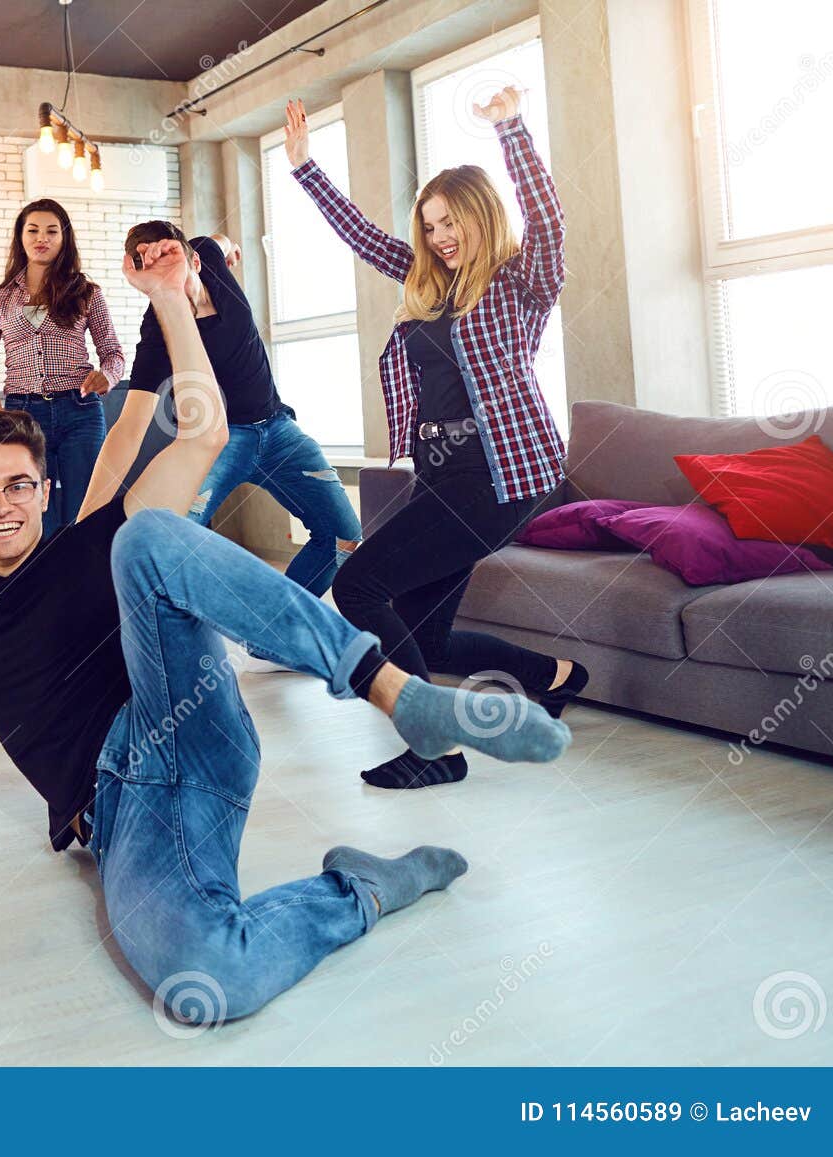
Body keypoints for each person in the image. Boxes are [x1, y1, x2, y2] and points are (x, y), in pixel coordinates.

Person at [0, 236, 571, 1025]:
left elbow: (200, 434)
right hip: (123, 813)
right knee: (206, 980)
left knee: (147, 534)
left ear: (43, 489)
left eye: (18, 486)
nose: (1, 505)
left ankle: (398, 693)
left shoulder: (86, 538)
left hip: (181, 721)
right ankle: (367, 884)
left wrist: (169, 300)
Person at [287, 87, 588, 790]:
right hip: (442, 475)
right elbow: (362, 236)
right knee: (422, 638)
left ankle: (433, 748)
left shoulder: (521, 280)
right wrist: (306, 169)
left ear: (479, 216)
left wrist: (511, 127)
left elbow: (548, 218)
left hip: (498, 474)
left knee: (358, 583)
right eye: (429, 225)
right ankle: (555, 675)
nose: (440, 236)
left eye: (450, 221)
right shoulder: (430, 281)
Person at [123, 220, 361, 597]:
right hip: (218, 444)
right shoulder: (156, 330)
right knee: (173, 544)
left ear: (195, 261)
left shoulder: (211, 259)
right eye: (154, 278)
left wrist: (230, 246)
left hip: (280, 431)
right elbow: (130, 422)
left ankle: (276, 626)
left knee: (344, 537)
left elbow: (217, 240)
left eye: (174, 269)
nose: (167, 284)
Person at [0, 198, 123, 533]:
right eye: (33, 230)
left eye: (52, 231)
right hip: (23, 415)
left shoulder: (87, 292)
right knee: (33, 508)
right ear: (20, 237)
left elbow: (113, 353)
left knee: (84, 508)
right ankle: (44, 583)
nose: (42, 238)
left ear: (64, 239)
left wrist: (107, 376)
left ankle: (85, 583)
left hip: (79, 410)